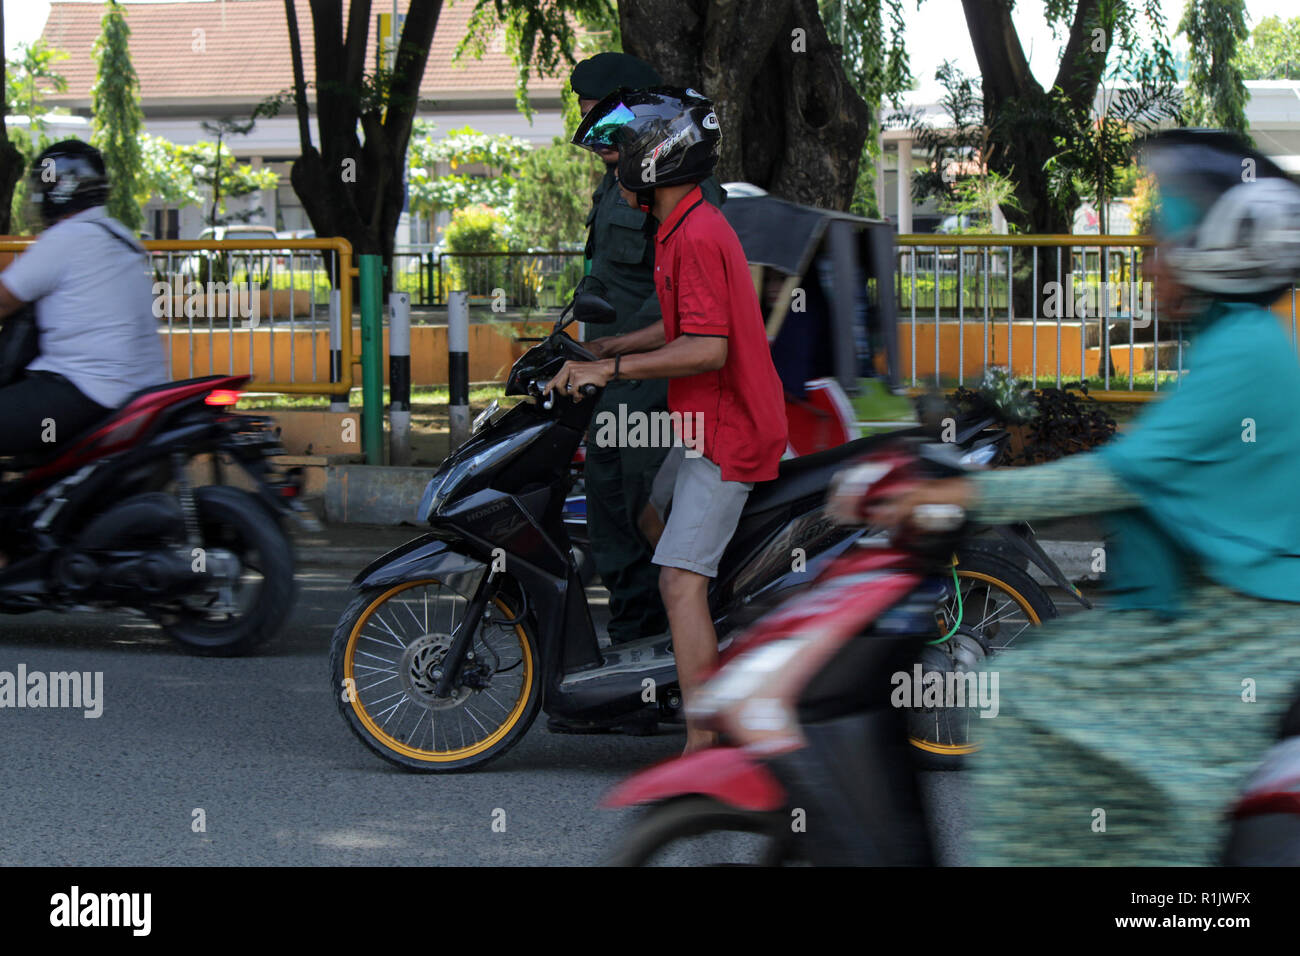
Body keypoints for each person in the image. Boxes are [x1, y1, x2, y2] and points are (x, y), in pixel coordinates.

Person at [858, 129, 1300, 865]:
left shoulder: (1245, 350)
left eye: (1163, 243)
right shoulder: (1234, 340)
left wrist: (968, 494)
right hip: (1206, 609)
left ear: (1207, 255)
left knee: (1029, 687)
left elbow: (1113, 476)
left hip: (1232, 630)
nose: (1150, 261)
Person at [547, 87, 788, 753]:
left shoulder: (699, 233)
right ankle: (701, 651)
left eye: (622, 151)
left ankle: (703, 747)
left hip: (730, 429)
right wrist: (611, 345)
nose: (615, 164)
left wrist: (608, 373)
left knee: (678, 581)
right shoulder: (681, 228)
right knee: (651, 517)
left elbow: (709, 348)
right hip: (702, 422)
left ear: (657, 156)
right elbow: (682, 326)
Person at [568, 53, 726, 656]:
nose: (594, 137)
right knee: (606, 503)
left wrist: (614, 356)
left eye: (602, 121)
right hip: (609, 368)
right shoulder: (619, 180)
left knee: (640, 502)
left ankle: (670, 642)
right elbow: (605, 279)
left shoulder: (683, 184)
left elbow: (691, 313)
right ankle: (636, 641)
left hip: (656, 373)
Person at [0, 140, 166, 457]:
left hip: (81, 394)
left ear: (55, 191)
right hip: (140, 392)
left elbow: (4, 301)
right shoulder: (121, 237)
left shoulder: (67, 238)